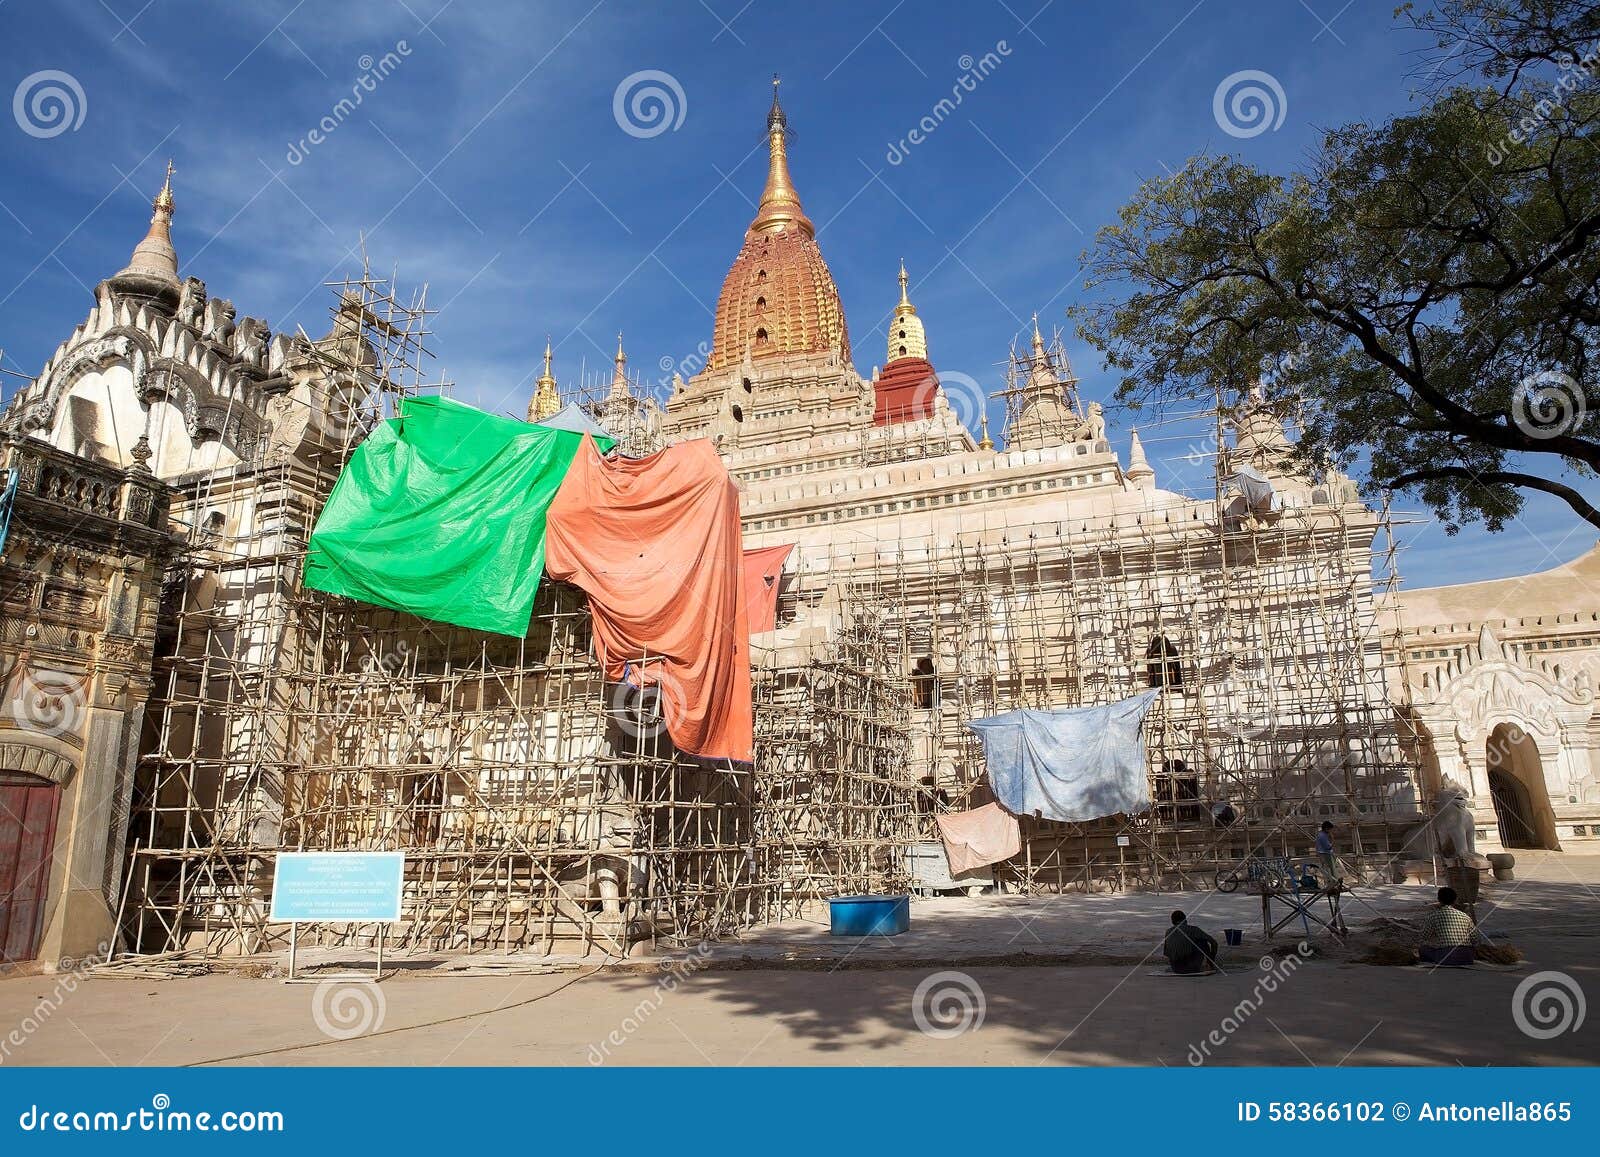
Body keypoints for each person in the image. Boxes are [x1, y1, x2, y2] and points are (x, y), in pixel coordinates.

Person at [1417, 886, 1483, 966]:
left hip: (1445, 957)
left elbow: (1423, 937)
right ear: (1454, 900)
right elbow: (1476, 939)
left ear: (1439, 900)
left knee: (1423, 950)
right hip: (1466, 957)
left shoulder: (1433, 916)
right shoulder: (1465, 916)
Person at [1163, 909, 1219, 975]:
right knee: (1202, 941)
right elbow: (1214, 943)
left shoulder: (1168, 932)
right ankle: (1210, 965)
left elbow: (1166, 952)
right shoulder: (1193, 929)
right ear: (1185, 919)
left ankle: (1186, 965)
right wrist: (1211, 960)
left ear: (1172, 921)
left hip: (1175, 969)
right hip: (1191, 968)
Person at [1315, 821, 1338, 885]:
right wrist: (1332, 840)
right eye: (1330, 829)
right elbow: (1328, 847)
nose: (1331, 831)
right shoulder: (1323, 836)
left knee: (1328, 870)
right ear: (1326, 828)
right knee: (1331, 869)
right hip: (1326, 854)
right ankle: (1333, 883)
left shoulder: (1321, 834)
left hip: (1323, 854)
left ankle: (1331, 883)